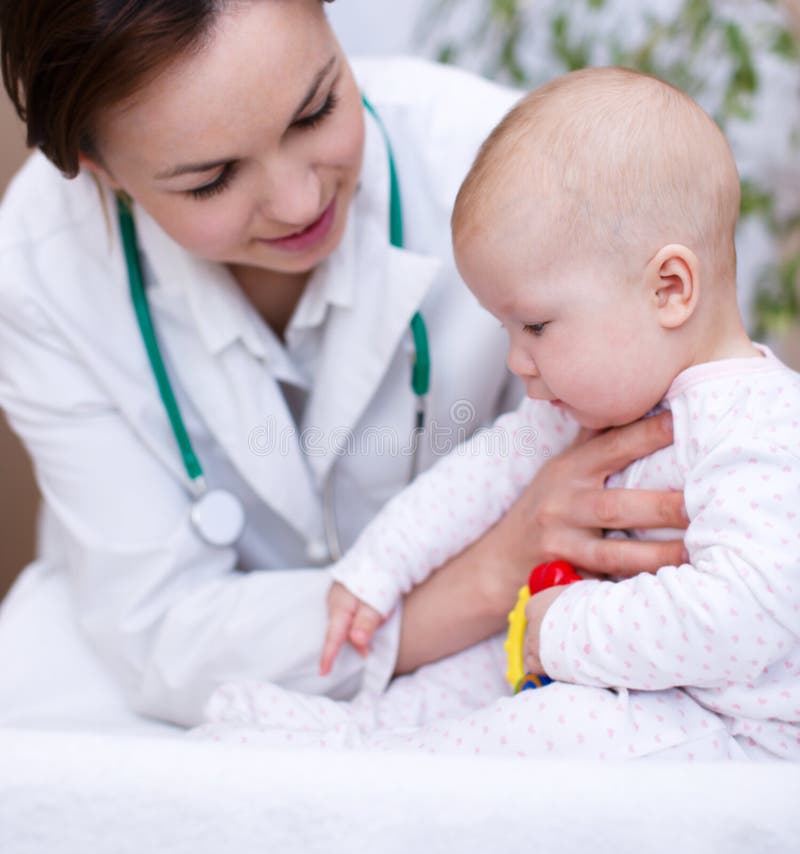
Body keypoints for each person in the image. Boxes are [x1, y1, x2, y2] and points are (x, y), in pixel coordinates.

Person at [0, 1, 686, 729]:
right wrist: (491, 572)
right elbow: (163, 639)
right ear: (98, 170)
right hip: (144, 688)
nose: (299, 204)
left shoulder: (513, 171)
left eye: (317, 110)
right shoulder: (41, 266)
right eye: (212, 179)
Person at [199, 67, 800, 760]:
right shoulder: (586, 408)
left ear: (669, 288)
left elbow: (741, 619)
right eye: (506, 331)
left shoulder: (762, 427)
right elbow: (476, 479)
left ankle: (383, 765)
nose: (518, 361)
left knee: (564, 726)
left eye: (535, 327)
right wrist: (378, 567)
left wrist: (564, 626)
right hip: (603, 667)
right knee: (475, 668)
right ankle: (353, 733)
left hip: (731, 724)